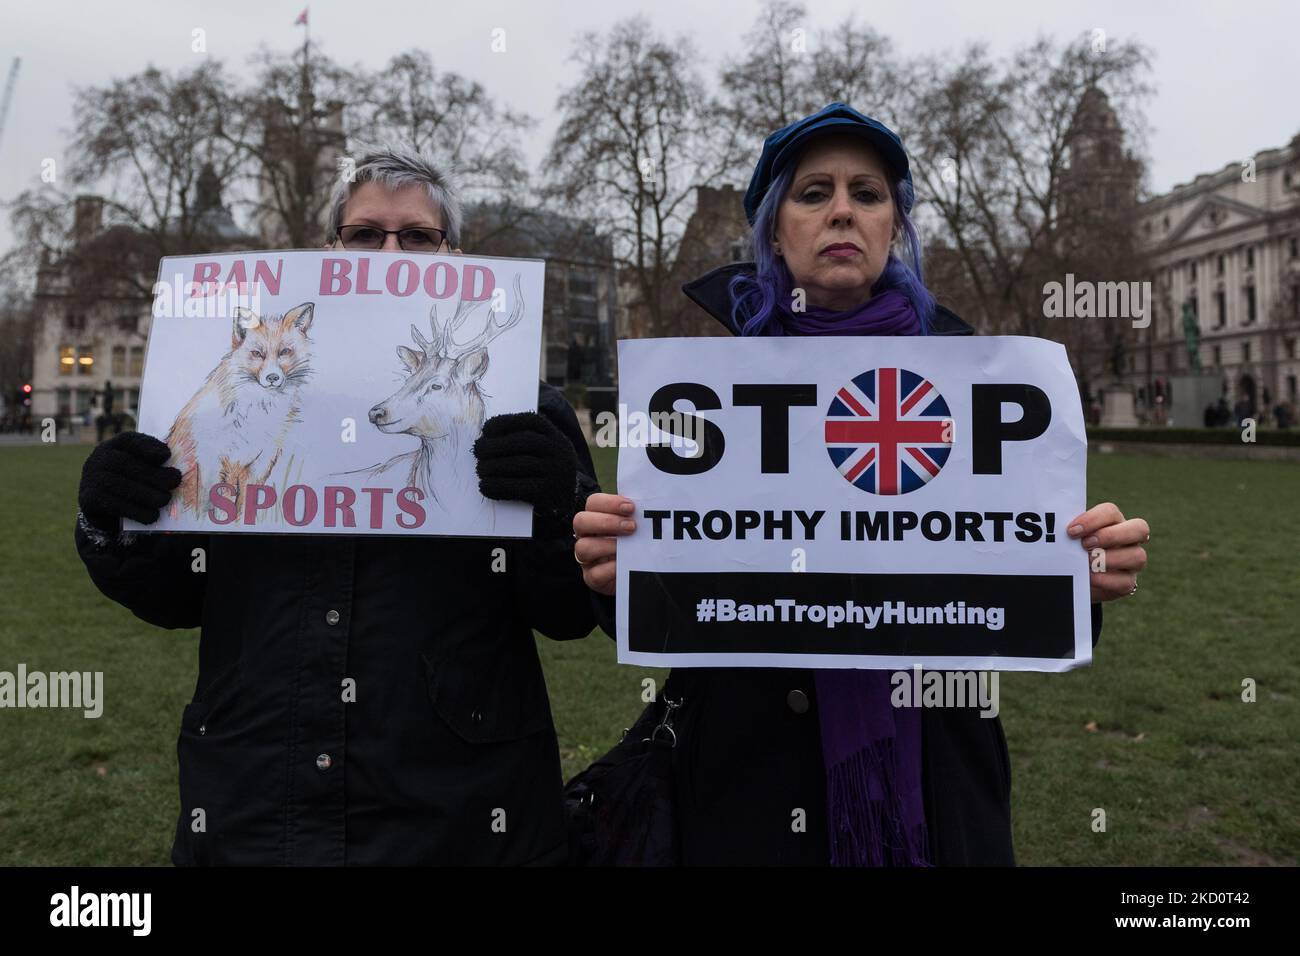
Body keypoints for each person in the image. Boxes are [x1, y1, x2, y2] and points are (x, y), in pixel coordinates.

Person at [572, 104, 1151, 866]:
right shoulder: (699, 392)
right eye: (814, 193)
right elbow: (667, 607)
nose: (842, 210)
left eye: (867, 193)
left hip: (937, 785)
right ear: (775, 230)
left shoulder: (979, 384)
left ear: (895, 227)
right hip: (746, 790)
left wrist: (1085, 568)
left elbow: (1014, 593)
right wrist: (613, 574)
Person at [75, 142, 603, 865]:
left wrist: (555, 506)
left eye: (417, 236)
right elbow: (170, 591)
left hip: (460, 819)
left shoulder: (521, 410)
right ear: (331, 250)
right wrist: (109, 517)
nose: (391, 252)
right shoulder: (233, 406)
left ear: (452, 257)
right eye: (365, 235)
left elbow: (574, 611)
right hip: (257, 806)